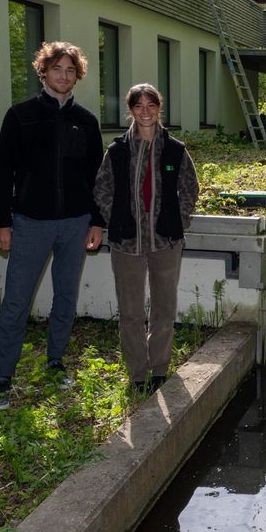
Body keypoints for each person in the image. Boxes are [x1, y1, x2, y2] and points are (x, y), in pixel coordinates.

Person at [0, 41, 105, 410]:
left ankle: (55, 361)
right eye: (58, 69)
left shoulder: (86, 121)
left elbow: (98, 178)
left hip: (75, 224)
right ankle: (3, 378)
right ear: (43, 72)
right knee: (16, 302)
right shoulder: (20, 115)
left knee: (66, 299)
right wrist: (1, 222)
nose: (64, 76)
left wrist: (97, 222)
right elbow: (0, 173)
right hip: (30, 223)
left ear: (77, 76)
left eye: (71, 70)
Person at [94, 84, 199, 394]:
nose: (145, 111)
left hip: (166, 243)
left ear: (159, 107)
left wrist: (176, 220)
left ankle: (159, 369)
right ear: (131, 110)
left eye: (150, 104)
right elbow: (101, 189)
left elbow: (190, 188)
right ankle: (138, 373)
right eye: (138, 105)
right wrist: (119, 219)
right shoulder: (117, 151)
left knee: (164, 308)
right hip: (127, 244)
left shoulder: (175, 149)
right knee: (131, 312)